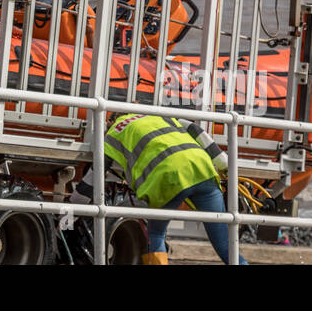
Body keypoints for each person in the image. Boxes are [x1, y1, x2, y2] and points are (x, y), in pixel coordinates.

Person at [72, 111, 246, 265]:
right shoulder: (159, 114)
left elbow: (93, 178)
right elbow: (195, 128)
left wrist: (71, 207)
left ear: (110, 121)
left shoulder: (114, 132)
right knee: (224, 242)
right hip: (202, 169)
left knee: (155, 234)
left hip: (167, 179)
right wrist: (223, 164)